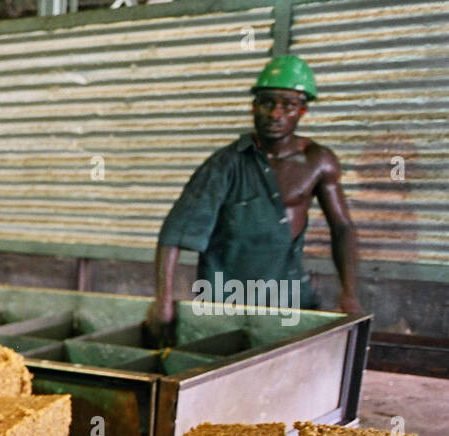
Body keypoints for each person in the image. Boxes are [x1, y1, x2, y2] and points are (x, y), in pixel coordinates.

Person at [147, 55, 363, 345]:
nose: (275, 113)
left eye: (287, 105)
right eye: (266, 103)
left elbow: (343, 228)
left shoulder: (318, 161)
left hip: (287, 294)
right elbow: (175, 232)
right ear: (253, 107)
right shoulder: (225, 164)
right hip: (225, 296)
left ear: (302, 111)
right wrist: (164, 300)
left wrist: (349, 291)